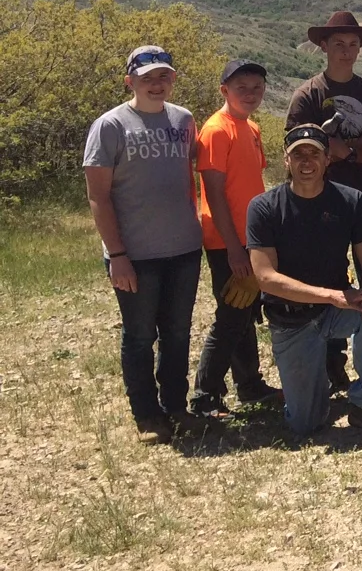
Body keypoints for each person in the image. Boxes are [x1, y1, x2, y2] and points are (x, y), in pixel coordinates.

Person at [83, 46, 204, 445]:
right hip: (135, 254)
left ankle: (176, 407)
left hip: (184, 248)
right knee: (139, 336)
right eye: (147, 78)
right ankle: (147, 416)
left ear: (173, 79)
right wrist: (117, 255)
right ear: (129, 81)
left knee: (178, 332)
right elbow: (98, 196)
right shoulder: (110, 126)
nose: (156, 84)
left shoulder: (184, 120)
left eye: (163, 76)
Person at [247, 125, 362, 438]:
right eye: (298, 154)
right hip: (292, 319)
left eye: (314, 153)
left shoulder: (350, 200)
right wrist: (333, 296)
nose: (306, 160)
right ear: (286, 160)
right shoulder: (264, 207)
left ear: (327, 159)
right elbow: (266, 278)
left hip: (336, 310)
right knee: (306, 424)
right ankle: (308, 394)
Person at [285, 10, 362, 393]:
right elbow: (303, 150)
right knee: (328, 281)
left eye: (352, 44)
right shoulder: (308, 95)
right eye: (338, 44)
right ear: (324, 47)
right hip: (320, 202)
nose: (346, 51)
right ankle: (331, 364)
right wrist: (356, 147)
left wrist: (344, 150)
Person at [188, 58, 282, 416]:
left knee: (246, 312)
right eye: (241, 88)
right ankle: (204, 396)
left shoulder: (251, 127)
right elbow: (212, 193)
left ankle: (249, 385)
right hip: (227, 241)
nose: (250, 93)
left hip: (250, 239)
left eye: (257, 87)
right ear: (224, 90)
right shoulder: (216, 130)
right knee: (230, 317)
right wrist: (233, 249)